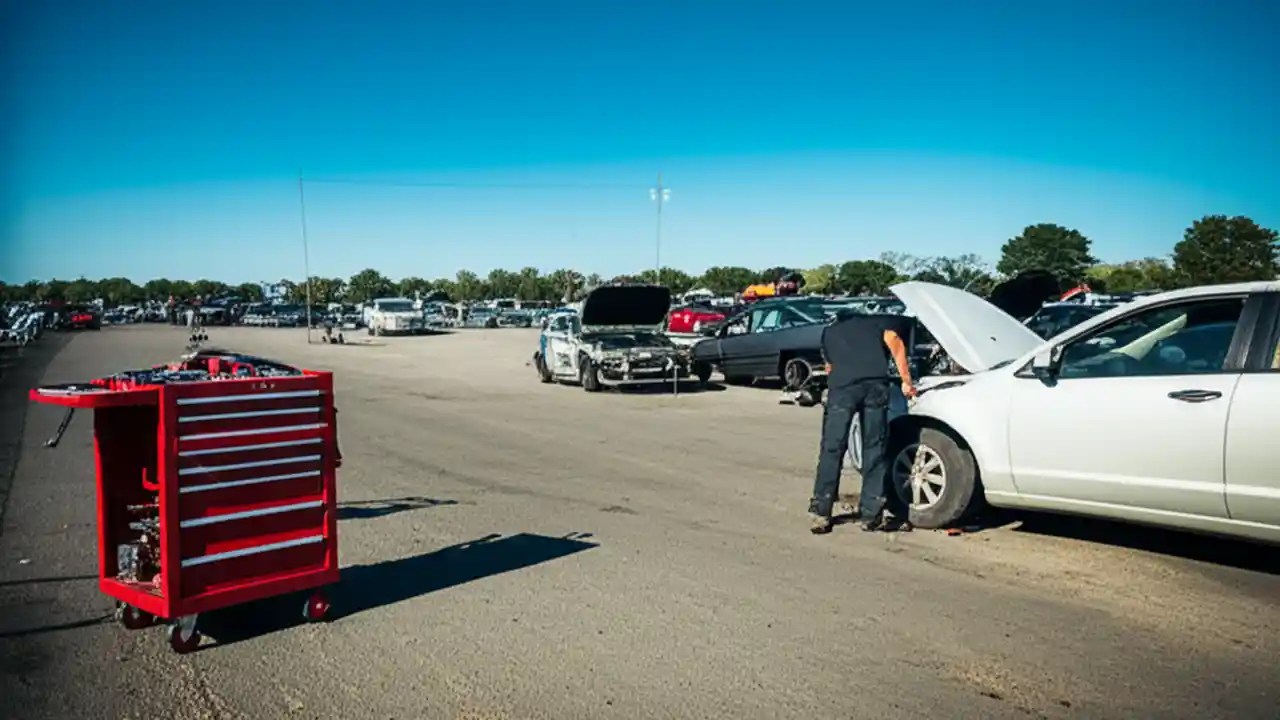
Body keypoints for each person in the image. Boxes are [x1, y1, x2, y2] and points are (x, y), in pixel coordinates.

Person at [808, 310, 917, 534]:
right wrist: (906, 380)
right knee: (874, 448)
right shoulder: (875, 325)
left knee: (832, 449)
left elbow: (829, 366)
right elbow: (894, 340)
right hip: (874, 386)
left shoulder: (829, 332)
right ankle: (871, 514)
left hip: (842, 389)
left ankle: (821, 512)